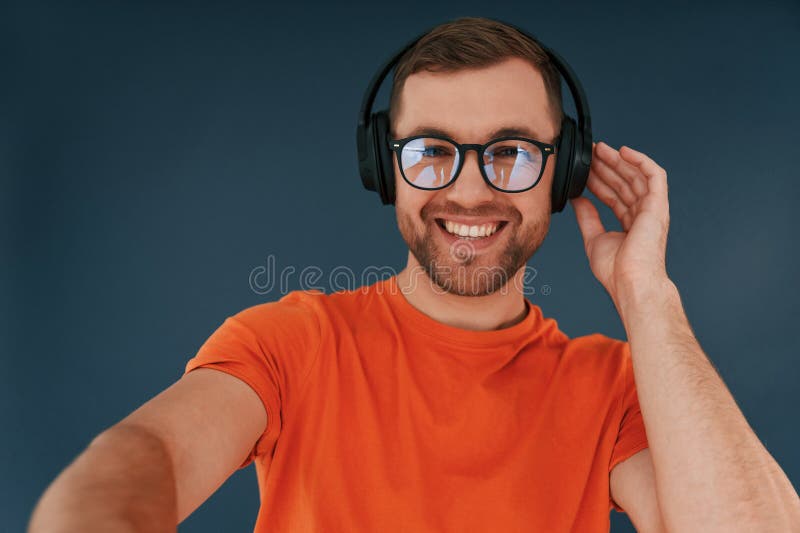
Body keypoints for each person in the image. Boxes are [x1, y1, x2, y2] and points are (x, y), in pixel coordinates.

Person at [29, 16, 800, 533]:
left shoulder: (616, 388)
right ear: (383, 168)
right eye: (431, 150)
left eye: (511, 151)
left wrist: (648, 296)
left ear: (561, 173)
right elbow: (143, 457)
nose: (469, 189)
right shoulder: (291, 343)